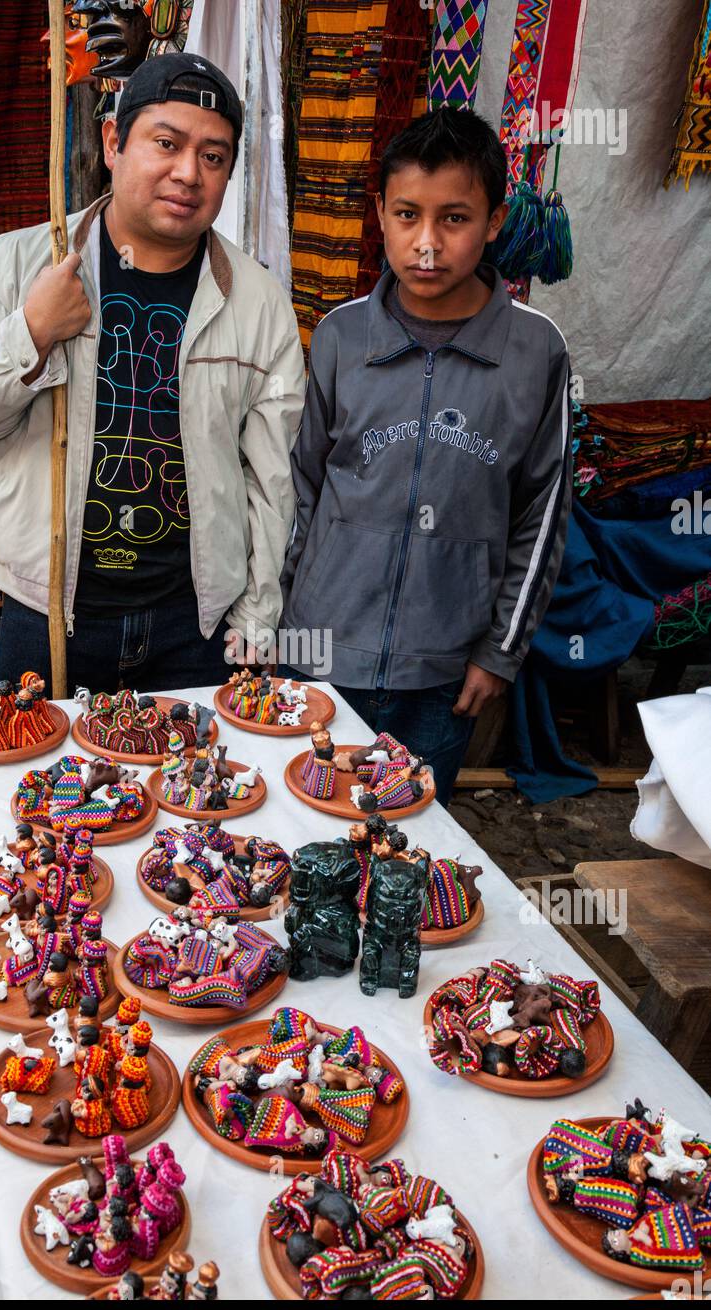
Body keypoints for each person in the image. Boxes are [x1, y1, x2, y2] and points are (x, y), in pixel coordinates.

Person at [0, 53, 304, 696]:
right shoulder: (23, 263)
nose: (188, 173)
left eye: (213, 157)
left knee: (191, 792)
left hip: (196, 624)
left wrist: (256, 625)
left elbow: (269, 481)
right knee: (48, 790)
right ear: (113, 142)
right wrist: (34, 330)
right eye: (166, 143)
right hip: (50, 612)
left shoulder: (258, 300)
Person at [280, 107, 572, 805]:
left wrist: (500, 651)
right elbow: (299, 487)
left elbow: (544, 515)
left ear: (496, 221)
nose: (427, 244)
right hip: (321, 649)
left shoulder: (536, 351)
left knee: (405, 846)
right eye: (408, 215)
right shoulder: (343, 336)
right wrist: (278, 625)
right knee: (299, 830)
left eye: (455, 218)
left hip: (443, 669)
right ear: (380, 213)